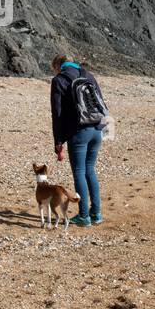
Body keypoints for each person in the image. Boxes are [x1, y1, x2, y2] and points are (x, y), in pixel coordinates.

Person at [50, 53, 108, 227]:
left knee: (79, 172)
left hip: (78, 132)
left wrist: (58, 140)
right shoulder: (88, 76)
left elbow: (57, 113)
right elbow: (101, 103)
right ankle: (96, 213)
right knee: (90, 170)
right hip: (97, 130)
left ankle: (83, 216)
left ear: (57, 66)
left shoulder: (59, 80)